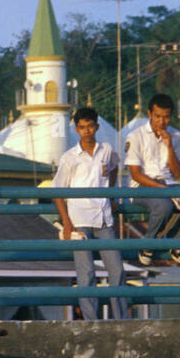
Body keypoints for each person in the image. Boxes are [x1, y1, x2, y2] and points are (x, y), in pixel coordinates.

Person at [53, 106, 128, 320]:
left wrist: (111, 195)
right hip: (79, 220)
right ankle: (90, 322)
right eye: (82, 127)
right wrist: (67, 223)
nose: (87, 131)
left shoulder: (107, 150)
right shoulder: (69, 157)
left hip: (104, 217)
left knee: (117, 270)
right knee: (86, 274)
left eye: (90, 126)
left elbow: (114, 168)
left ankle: (122, 320)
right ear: (76, 129)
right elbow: (57, 191)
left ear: (97, 126)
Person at [123, 93, 180, 265]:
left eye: (166, 117)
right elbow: (136, 174)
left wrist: (169, 146)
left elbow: (176, 172)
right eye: (157, 116)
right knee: (164, 206)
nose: (161, 121)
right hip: (143, 186)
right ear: (149, 114)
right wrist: (161, 189)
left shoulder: (175, 136)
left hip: (170, 184)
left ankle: (173, 241)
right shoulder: (135, 136)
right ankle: (148, 245)